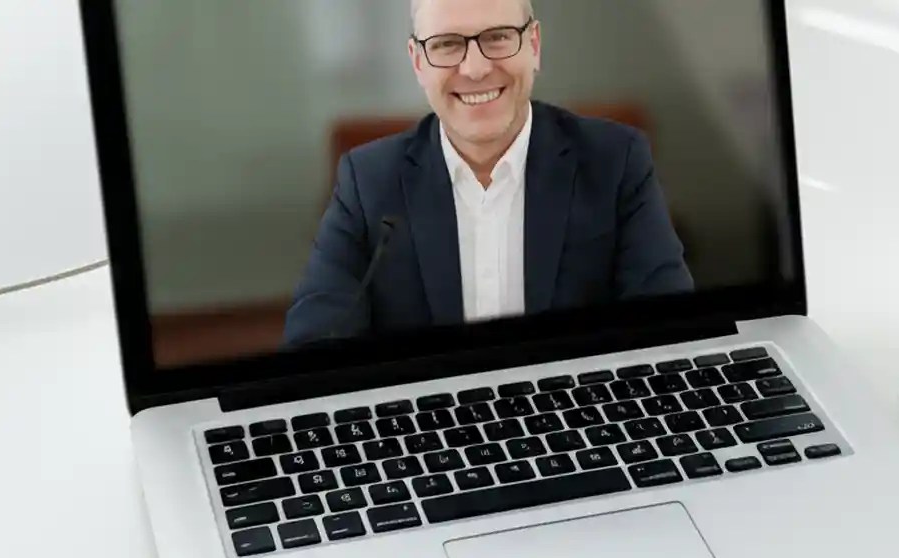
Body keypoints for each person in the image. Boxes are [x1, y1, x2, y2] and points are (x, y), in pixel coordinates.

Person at [283, 0, 694, 347]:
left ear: (533, 45)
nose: (476, 68)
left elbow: (672, 333)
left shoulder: (617, 160)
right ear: (418, 62)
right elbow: (313, 346)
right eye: (446, 45)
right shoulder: (366, 181)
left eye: (497, 37)